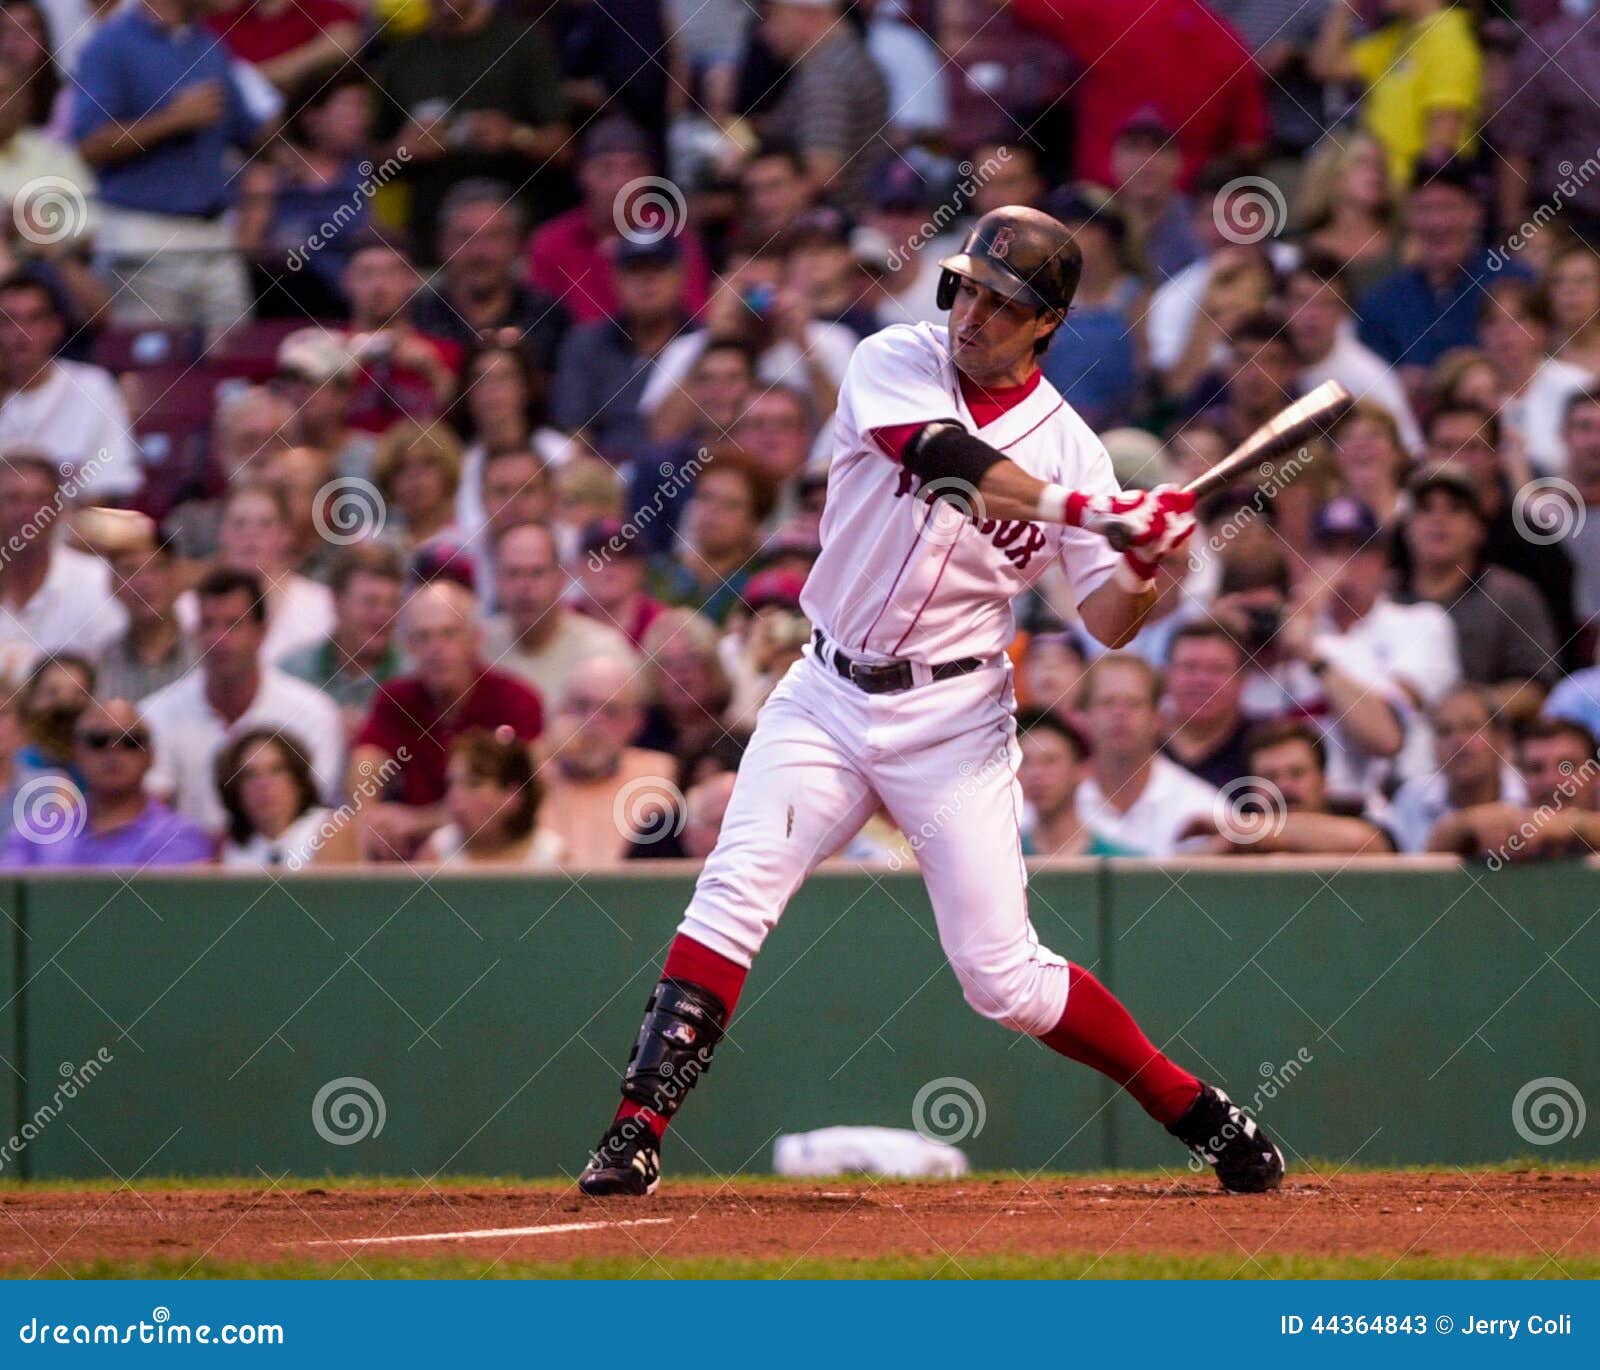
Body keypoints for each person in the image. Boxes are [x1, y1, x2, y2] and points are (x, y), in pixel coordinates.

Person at [575, 205, 1284, 1199]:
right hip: (824, 688)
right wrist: (1098, 510)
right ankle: (633, 1132)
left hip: (953, 719)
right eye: (970, 288)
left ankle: (1193, 1107)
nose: (975, 315)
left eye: (1006, 303)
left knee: (1000, 977)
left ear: (1048, 322)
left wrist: (1152, 559)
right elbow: (945, 464)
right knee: (734, 893)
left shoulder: (1074, 447)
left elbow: (1112, 621)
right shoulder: (893, 358)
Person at [71, 0, 268, 326]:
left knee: (235, 358)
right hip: (143, 236)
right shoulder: (109, 45)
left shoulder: (209, 42)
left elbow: (251, 135)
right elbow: (90, 145)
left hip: (215, 235)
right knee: (156, 361)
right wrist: (171, 120)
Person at [349, 578, 543, 860]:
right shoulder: (396, 699)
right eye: (423, 637)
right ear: (408, 646)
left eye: (449, 634)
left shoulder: (515, 699)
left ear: (475, 638)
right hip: (411, 861)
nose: (436, 649)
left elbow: (523, 796)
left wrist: (418, 821)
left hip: (495, 854)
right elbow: (367, 757)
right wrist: (367, 815)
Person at [140, 567, 343, 835]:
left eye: (233, 624)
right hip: (186, 868)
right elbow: (151, 816)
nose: (217, 639)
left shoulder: (312, 713)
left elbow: (311, 818)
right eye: (207, 624)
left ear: (262, 632)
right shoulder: (156, 714)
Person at [372, 0, 566, 260]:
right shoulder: (403, 57)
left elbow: (564, 148)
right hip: (430, 244)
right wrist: (402, 150)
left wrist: (515, 136)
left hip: (516, 242)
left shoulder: (523, 45)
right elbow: (369, 162)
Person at [1011, 0, 1266, 191]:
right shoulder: (1229, 39)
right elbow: (1249, 146)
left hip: (1105, 208)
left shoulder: (1107, 10)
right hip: (1188, 208)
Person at [1395, 463, 1557, 722]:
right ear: (1406, 526)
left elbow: (1537, 687)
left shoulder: (1512, 596)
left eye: (1455, 508)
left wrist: (1469, 713)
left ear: (1478, 528)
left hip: (1491, 749)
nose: (1438, 519)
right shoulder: (1383, 595)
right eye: (1425, 508)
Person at [524, 115, 710, 327]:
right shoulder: (550, 243)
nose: (620, 182)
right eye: (606, 169)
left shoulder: (676, 238)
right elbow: (541, 327)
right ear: (582, 174)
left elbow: (695, 323)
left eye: (632, 168)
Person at [0, 698, 212, 868]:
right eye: (98, 740)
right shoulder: (35, 833)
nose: (114, 751)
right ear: (76, 752)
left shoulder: (180, 838)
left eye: (130, 741)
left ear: (151, 756)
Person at [550, 236, 690, 467]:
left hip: (685, 475)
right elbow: (575, 430)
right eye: (635, 270)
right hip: (603, 479)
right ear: (615, 280)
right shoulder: (587, 344)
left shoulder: (703, 342)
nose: (647, 280)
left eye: (658, 268)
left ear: (681, 276)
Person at [1311, 0, 1481, 189]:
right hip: (1388, 196)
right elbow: (1325, 66)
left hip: (1410, 198)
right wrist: (1345, 6)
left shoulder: (1447, 38)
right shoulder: (1400, 36)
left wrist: (1412, 207)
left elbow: (1440, 146)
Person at [0, 271, 139, 498]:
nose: (21, 333)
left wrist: (57, 531)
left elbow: (110, 490)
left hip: (74, 529)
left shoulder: (94, 387)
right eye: (9, 320)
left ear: (55, 327)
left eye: (33, 319)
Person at [174, 481, 337, 666]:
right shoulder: (188, 610)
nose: (251, 534)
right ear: (221, 533)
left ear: (286, 535)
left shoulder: (322, 606)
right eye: (239, 524)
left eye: (265, 524)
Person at [1074, 652, 1219, 856]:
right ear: (1084, 718)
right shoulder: (1052, 808)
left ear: (1158, 718)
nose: (1119, 713)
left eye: (1133, 703)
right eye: (1107, 702)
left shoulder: (1203, 809)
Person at [411, 180, 566, 371]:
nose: (479, 252)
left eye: (493, 237)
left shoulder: (549, 318)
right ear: (443, 245)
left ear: (517, 244)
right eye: (465, 237)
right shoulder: (415, 318)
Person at [1180, 717, 1393, 856]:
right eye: (1269, 776)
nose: (1282, 786)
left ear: (1323, 782)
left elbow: (1363, 843)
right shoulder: (1235, 844)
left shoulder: (1357, 823)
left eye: (1297, 773)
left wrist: (1246, 829)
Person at [537, 654, 677, 867]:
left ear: (635, 723)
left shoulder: (664, 773)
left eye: (611, 711)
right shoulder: (531, 776)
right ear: (558, 710)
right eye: (581, 705)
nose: (592, 721)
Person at [757, 0, 889, 218]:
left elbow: (823, 172)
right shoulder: (847, 57)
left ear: (807, 13)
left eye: (771, 16)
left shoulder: (828, 72)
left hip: (834, 226)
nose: (764, 32)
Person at [483, 521, 635, 703]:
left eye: (537, 573)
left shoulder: (605, 650)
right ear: (496, 580)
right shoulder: (479, 648)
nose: (524, 586)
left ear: (561, 578)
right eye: (513, 573)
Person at [0, 450, 125, 667]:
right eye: (13, 499)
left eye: (39, 499)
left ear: (58, 509)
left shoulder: (99, 582)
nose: (27, 511)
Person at [1286, 253, 1421, 453]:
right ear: (1284, 304)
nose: (1311, 315)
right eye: (1301, 299)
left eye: (1325, 304)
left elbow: (1410, 450)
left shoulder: (1370, 377)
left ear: (1343, 312)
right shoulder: (1267, 359)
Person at [279, 543, 408, 738]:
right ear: (336, 602)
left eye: (392, 603)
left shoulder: (413, 678)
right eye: (370, 602)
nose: (383, 615)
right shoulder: (293, 674)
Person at [1384, 684, 1526, 854]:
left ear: (1502, 739)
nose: (1458, 741)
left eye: (1471, 727)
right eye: (1445, 731)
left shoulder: (1531, 790)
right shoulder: (1411, 799)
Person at [214, 725, 358, 868]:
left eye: (276, 770)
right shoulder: (229, 844)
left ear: (298, 780)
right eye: (250, 775)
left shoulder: (330, 829)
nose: (263, 784)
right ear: (236, 790)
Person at [419, 726, 563, 867]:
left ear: (512, 795)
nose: (455, 796)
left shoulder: (553, 857)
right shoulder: (437, 852)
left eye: (473, 784)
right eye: (451, 783)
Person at [95, 520, 192, 701]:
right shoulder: (100, 665)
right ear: (112, 583)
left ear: (178, 576)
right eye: (130, 570)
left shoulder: (207, 656)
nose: (143, 582)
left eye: (156, 568)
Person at [1160, 620, 1255, 790]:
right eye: (1189, 667)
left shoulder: (1265, 744)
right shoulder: (1137, 741)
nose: (1201, 680)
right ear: (1166, 676)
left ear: (1242, 680)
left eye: (1217, 669)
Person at [1016, 709, 1125, 857]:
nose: (1035, 773)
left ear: (1081, 769)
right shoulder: (1006, 858)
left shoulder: (1119, 860)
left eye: (1050, 761)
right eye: (1026, 761)